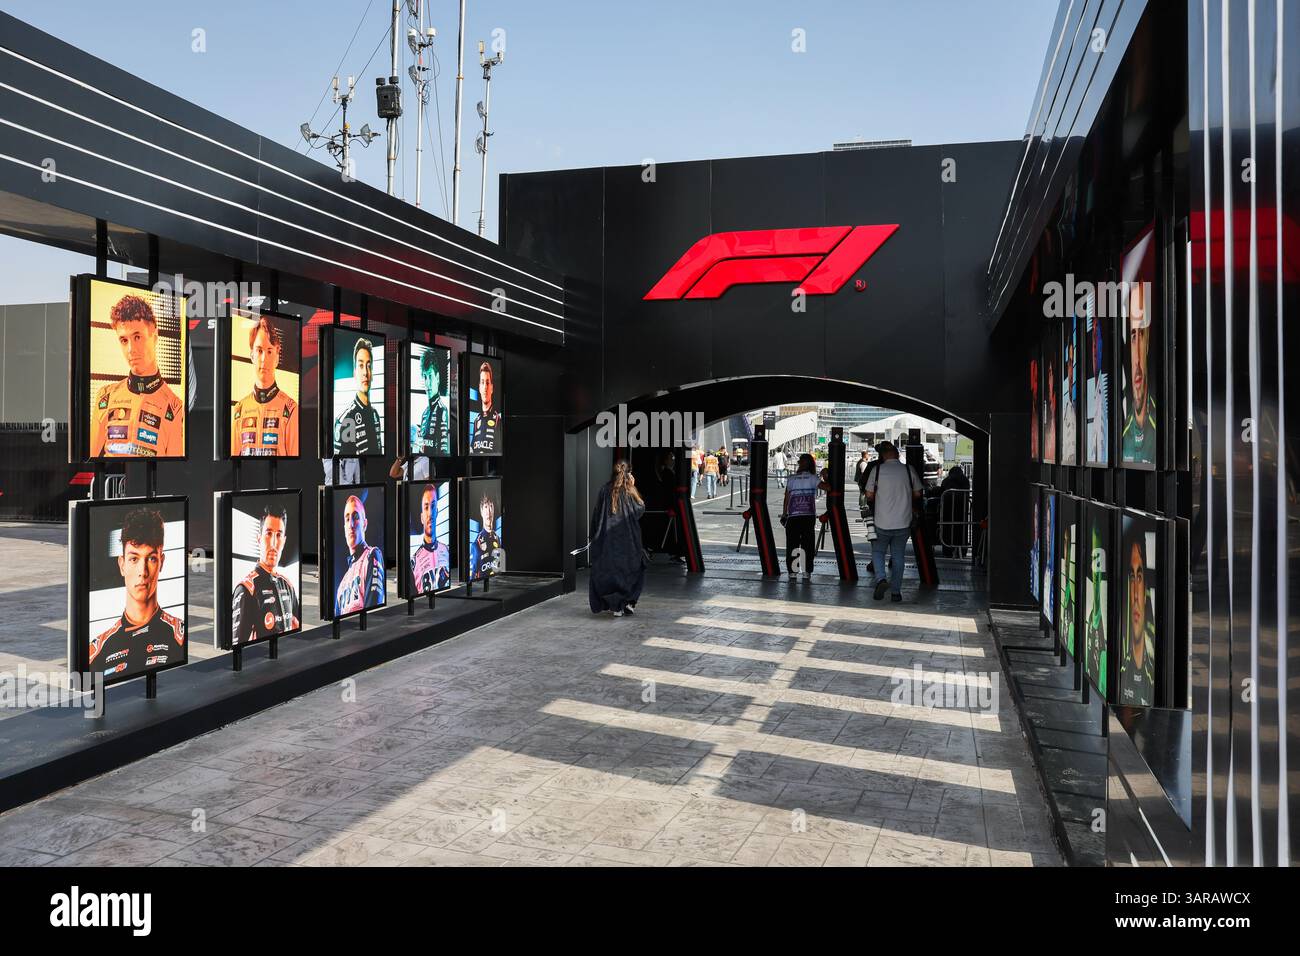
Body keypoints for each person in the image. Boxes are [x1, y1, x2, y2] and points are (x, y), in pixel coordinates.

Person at [89, 506, 185, 675]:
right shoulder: (97, 650)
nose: (143, 571)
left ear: (161, 563)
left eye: (152, 559)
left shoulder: (179, 636)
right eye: (134, 558)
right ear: (122, 564)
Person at [91, 294, 184, 458]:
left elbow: (174, 473)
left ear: (154, 336)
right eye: (124, 340)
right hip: (112, 483)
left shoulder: (175, 407)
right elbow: (89, 461)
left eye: (137, 337)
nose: (131, 350)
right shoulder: (106, 397)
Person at [231, 504, 300, 645]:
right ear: (258, 539)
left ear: (284, 541)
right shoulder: (246, 589)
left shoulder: (288, 586)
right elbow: (237, 648)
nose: (274, 543)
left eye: (279, 535)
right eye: (268, 534)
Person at [230, 315, 298, 457]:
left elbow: (294, 466)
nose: (263, 359)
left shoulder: (290, 408)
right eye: (259, 350)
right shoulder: (239, 409)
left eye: (269, 351)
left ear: (277, 355)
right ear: (252, 355)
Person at [865, 441, 922, 602]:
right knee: (898, 557)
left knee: (877, 552)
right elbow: (918, 493)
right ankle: (896, 592)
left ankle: (881, 579)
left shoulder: (877, 470)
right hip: (904, 521)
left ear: (883, 455)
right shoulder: (908, 470)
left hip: (881, 521)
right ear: (897, 454)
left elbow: (869, 495)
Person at [589, 460, 647, 616]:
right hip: (629, 540)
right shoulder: (629, 490)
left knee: (610, 572)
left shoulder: (604, 490)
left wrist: (593, 535)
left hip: (607, 540)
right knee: (634, 570)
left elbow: (596, 515)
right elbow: (639, 511)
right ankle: (626, 602)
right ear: (629, 473)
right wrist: (633, 486)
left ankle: (615, 604)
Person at [1118, 534, 1155, 705]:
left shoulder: (1155, 673)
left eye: (1139, 578)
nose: (1135, 594)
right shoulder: (1121, 670)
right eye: (1132, 577)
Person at [1121, 285, 1157, 464]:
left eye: (1142, 334)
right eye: (1133, 335)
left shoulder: (1164, 429)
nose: (1137, 360)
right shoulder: (1122, 433)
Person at [335, 494, 384, 615]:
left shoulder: (372, 555)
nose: (351, 524)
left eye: (356, 517)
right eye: (347, 519)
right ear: (344, 527)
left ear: (364, 524)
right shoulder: (342, 585)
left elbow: (373, 611)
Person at [334, 337, 382, 456]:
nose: (365, 372)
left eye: (368, 366)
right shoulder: (347, 419)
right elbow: (341, 466)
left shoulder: (375, 414)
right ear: (354, 372)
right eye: (361, 366)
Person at [781, 453, 821, 578]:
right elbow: (828, 488)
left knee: (793, 544)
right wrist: (826, 475)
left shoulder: (792, 478)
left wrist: (784, 514)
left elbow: (786, 498)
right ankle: (806, 571)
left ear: (800, 464)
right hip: (808, 516)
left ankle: (793, 571)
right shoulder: (813, 478)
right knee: (807, 544)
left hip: (793, 516)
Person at [410, 483, 451, 594]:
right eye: (426, 507)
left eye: (433, 506)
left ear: (437, 512)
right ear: (421, 517)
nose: (430, 513)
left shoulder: (446, 550)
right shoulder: (414, 562)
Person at [413, 347, 449, 455]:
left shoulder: (442, 410)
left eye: (430, 376)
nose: (427, 383)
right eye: (424, 377)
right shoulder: (424, 414)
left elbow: (443, 451)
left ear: (437, 378)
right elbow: (420, 449)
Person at [468, 360, 502, 453]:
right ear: (479, 387)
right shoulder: (476, 421)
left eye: (487, 383)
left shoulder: (498, 420)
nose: (485, 388)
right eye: (482, 382)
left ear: (492, 388)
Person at [469, 489, 504, 579]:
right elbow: (473, 576)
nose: (488, 511)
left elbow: (499, 568)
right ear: (481, 511)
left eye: (491, 506)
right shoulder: (476, 545)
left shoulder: (497, 538)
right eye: (485, 506)